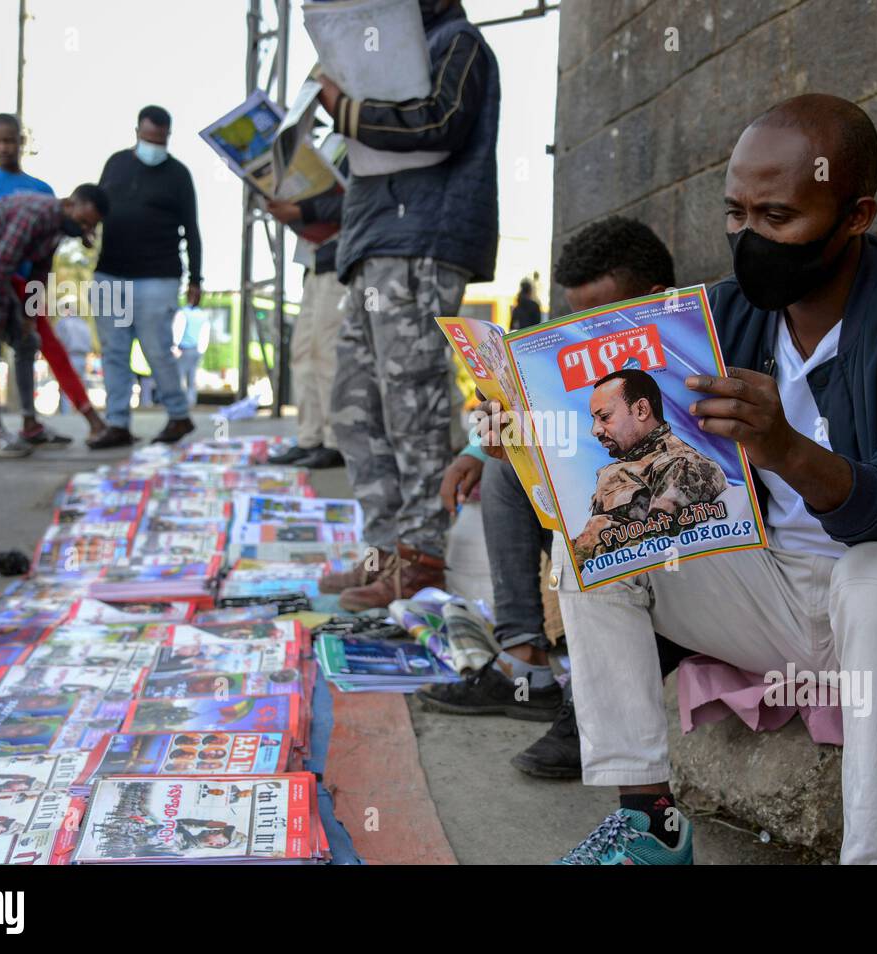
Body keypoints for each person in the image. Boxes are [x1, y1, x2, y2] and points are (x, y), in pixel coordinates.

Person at [552, 94, 877, 865]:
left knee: (876, 577)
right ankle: (649, 822)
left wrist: (785, 449)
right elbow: (633, 465)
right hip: (768, 594)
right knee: (591, 540)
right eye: (736, 214)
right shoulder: (717, 317)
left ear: (856, 215)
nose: (750, 239)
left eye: (777, 218)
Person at [422, 217, 680, 779]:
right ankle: (526, 663)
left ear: (657, 301)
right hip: (595, 535)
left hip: (676, 553)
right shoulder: (588, 374)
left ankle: (583, 707)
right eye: (576, 319)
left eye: (603, 318)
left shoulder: (691, 358)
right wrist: (482, 443)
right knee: (505, 470)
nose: (588, 333)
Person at [314, 0, 501, 611]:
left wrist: (346, 110)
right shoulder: (393, 46)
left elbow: (438, 123)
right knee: (355, 406)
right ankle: (384, 552)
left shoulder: (458, 43)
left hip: (423, 240)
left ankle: (420, 559)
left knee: (412, 408)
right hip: (372, 240)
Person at [0, 187, 108, 458]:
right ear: (70, 204)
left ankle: (30, 425)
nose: (83, 230)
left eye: (89, 227)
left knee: (28, 340)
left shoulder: (58, 227)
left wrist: (28, 315)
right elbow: (2, 264)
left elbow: (39, 271)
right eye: (82, 222)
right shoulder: (36, 213)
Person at [0, 112, 76, 453]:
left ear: (22, 142)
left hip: (19, 281)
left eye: (11, 140)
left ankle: (30, 423)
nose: (5, 147)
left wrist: (31, 309)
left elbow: (44, 263)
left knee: (27, 341)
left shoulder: (42, 191)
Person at [89, 105, 202, 449]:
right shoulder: (115, 163)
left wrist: (197, 278)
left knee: (157, 350)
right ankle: (117, 423)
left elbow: (192, 230)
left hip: (158, 277)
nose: (154, 145)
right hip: (111, 274)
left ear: (168, 137)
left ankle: (179, 415)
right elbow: (97, 204)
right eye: (149, 138)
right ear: (136, 131)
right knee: (114, 351)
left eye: (161, 139)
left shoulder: (179, 175)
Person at [571, 369, 728, 565]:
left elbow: (662, 546)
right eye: (594, 419)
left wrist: (590, 547)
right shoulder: (625, 465)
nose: (595, 430)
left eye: (604, 417)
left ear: (641, 410)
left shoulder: (681, 465)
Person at [265, 166, 349, 471]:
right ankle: (309, 437)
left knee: (326, 353)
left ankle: (335, 442)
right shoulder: (327, 148)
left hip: (341, 262)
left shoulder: (358, 144)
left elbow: (354, 201)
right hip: (316, 261)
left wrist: (301, 209)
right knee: (302, 352)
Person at [53, 296, 92, 414]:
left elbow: (58, 342)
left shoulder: (63, 323)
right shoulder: (83, 324)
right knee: (81, 386)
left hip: (69, 356)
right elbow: (88, 342)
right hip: (82, 358)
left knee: (67, 386)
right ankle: (82, 412)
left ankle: (66, 413)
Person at [172, 305, 209, 407]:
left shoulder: (183, 313)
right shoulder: (203, 315)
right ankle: (191, 401)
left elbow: (178, 330)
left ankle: (179, 403)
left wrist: (175, 346)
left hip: (184, 349)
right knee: (191, 378)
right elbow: (205, 333)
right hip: (196, 349)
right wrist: (201, 350)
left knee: (180, 376)